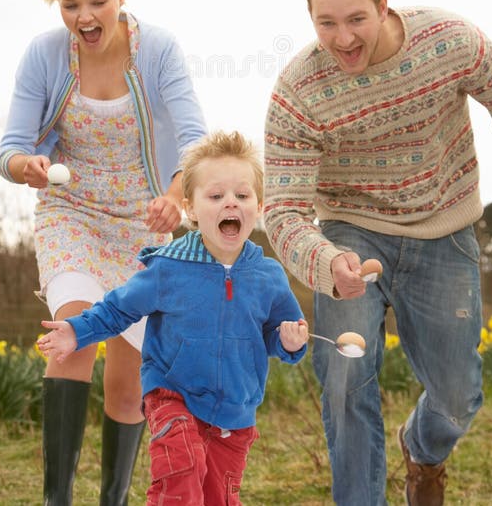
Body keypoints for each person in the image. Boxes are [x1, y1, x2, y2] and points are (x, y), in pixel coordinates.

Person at [263, 0, 492, 506]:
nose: (343, 38)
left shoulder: (449, 41)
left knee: (459, 395)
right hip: (349, 234)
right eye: (327, 23)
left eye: (356, 19)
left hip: (443, 226)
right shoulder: (299, 92)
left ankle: (422, 449)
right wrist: (325, 262)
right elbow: (284, 211)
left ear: (383, 6)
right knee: (344, 380)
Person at [0, 0, 207, 505]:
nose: (84, 17)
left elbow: (193, 135)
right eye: (69, 6)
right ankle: (57, 499)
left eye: (96, 2)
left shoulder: (157, 49)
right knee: (74, 336)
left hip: (143, 219)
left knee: (128, 381)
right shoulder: (44, 55)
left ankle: (113, 499)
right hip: (72, 213)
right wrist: (25, 165)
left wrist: (178, 194)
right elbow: (12, 146)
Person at [37, 130, 309, 505]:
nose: (231, 203)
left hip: (234, 412)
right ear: (192, 209)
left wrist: (289, 341)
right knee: (181, 474)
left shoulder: (269, 277)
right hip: (172, 395)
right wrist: (76, 332)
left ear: (258, 206)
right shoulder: (169, 267)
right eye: (216, 196)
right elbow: (119, 308)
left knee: (218, 497)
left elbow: (276, 334)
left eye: (242, 196)